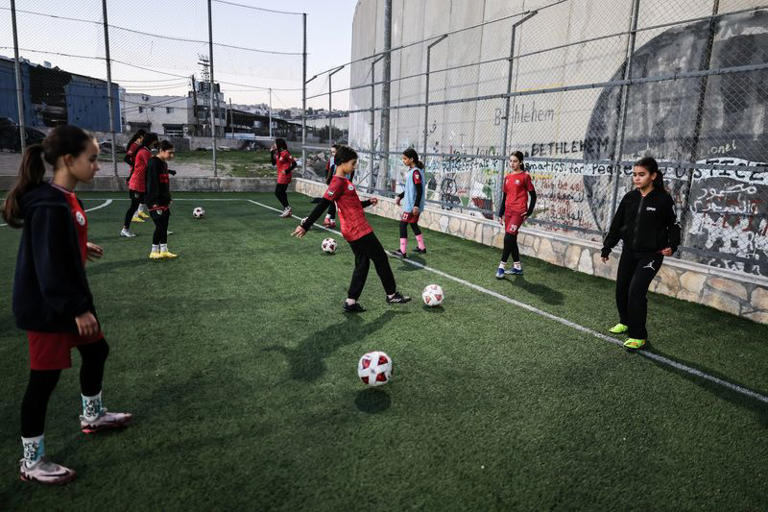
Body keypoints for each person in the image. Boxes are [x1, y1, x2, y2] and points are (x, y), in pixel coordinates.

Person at [2, 125, 133, 485]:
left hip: (65, 304)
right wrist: (77, 309)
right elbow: (48, 267)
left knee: (97, 351)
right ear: (67, 160)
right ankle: (31, 461)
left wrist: (80, 246)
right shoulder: (50, 205)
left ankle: (92, 416)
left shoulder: (62, 198)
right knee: (42, 382)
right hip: (49, 310)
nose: (98, 166)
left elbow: (57, 247)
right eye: (92, 159)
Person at [292, 145, 411, 312]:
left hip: (354, 229)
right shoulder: (337, 182)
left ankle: (351, 302)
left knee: (362, 263)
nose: (354, 167)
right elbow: (323, 204)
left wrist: (368, 202)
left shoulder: (344, 182)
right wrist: (305, 225)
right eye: (353, 163)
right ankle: (392, 295)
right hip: (358, 229)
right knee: (380, 258)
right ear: (342, 163)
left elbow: (353, 205)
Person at [601, 156, 680, 349]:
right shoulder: (630, 198)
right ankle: (625, 322)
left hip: (651, 254)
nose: (636, 178)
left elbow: (674, 225)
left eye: (641, 175)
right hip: (630, 251)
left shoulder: (663, 199)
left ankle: (639, 335)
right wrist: (607, 246)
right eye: (634, 175)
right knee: (621, 289)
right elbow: (617, 224)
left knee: (636, 292)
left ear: (653, 176)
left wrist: (673, 244)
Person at [495, 151, 536, 278]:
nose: (512, 163)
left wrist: (529, 211)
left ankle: (501, 266)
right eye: (511, 161)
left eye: (515, 161)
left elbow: (533, 196)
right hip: (508, 212)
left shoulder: (525, 177)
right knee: (511, 240)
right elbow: (505, 196)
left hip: (518, 212)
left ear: (520, 162)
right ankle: (517, 267)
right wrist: (500, 213)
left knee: (508, 238)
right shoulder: (507, 177)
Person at [145, 140, 178, 259]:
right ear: (161, 151)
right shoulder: (153, 163)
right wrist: (154, 202)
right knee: (159, 226)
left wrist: (168, 198)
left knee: (164, 225)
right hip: (155, 201)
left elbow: (164, 184)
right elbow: (152, 184)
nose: (172, 155)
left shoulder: (164, 164)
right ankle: (154, 251)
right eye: (170, 153)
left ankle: (164, 250)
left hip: (163, 200)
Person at [121, 132, 158, 237]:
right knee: (134, 207)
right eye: (156, 140)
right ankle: (125, 229)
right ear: (152, 141)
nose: (157, 142)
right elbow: (151, 167)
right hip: (137, 184)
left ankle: (161, 228)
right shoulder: (144, 152)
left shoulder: (146, 151)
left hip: (142, 184)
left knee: (152, 205)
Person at [393, 148, 427, 258]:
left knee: (403, 224)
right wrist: (400, 196)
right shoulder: (413, 171)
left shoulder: (415, 172)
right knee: (412, 224)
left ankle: (402, 251)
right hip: (412, 205)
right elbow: (409, 189)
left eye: (405, 158)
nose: (403, 161)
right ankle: (422, 247)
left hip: (412, 206)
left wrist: (416, 205)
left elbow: (419, 190)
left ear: (411, 159)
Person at [271, 138, 296, 218]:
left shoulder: (286, 153)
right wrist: (271, 153)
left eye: (275, 143)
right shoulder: (278, 153)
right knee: (282, 192)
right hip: (280, 176)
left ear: (279, 144)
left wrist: (287, 171)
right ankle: (287, 209)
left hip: (285, 176)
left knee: (278, 192)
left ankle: (287, 208)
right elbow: (273, 163)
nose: (274, 145)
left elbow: (294, 164)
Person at [323, 144, 340, 227]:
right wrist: (327, 179)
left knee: (331, 199)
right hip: (332, 182)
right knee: (331, 200)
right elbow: (327, 169)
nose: (333, 154)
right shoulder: (331, 159)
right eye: (332, 152)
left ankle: (328, 217)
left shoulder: (343, 161)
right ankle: (332, 221)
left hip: (339, 183)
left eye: (334, 152)